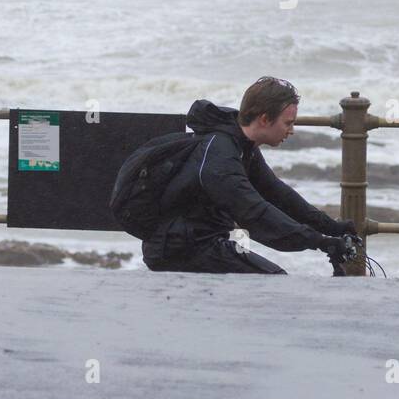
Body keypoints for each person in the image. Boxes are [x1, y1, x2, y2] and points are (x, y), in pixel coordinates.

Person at [142, 76, 357, 274]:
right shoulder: (221, 156)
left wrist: (332, 227)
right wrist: (319, 241)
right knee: (272, 280)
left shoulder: (243, 146)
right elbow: (255, 213)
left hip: (205, 242)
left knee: (268, 278)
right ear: (264, 120)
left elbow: (278, 194)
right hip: (179, 250)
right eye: (288, 123)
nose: (291, 131)